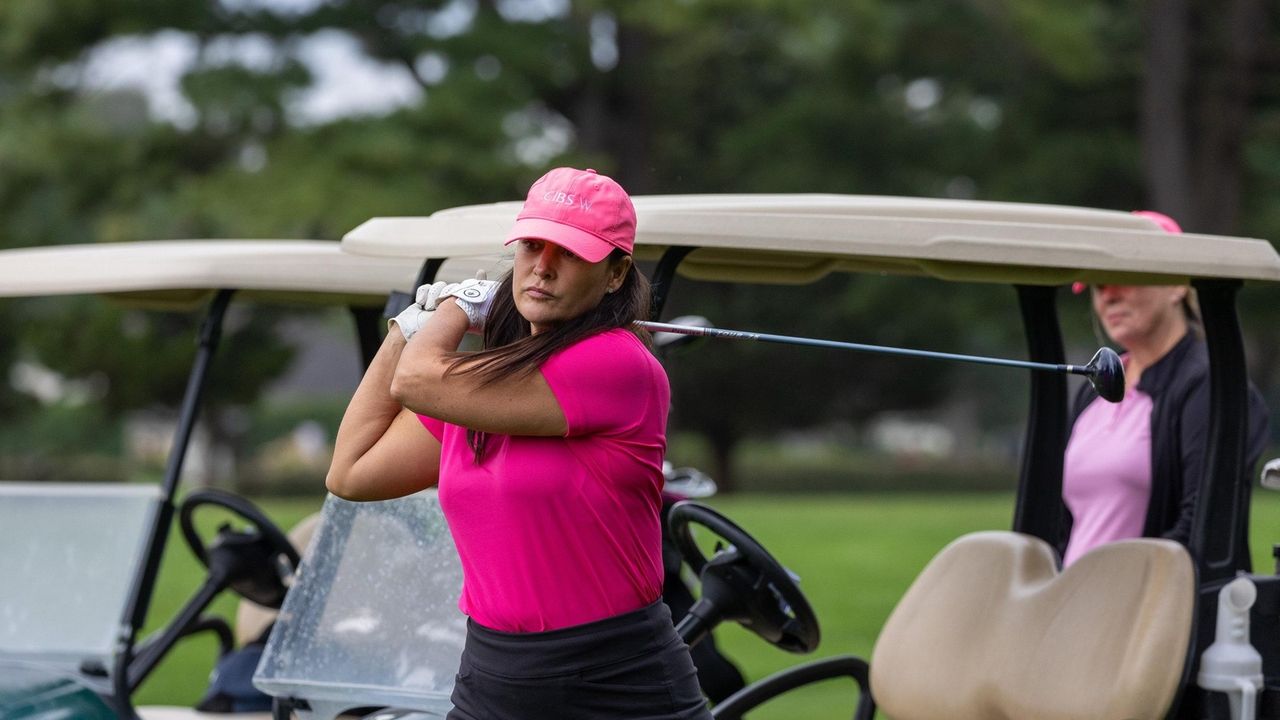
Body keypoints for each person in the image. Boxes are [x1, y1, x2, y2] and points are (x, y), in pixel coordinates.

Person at [325, 167, 712, 720]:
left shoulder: (620, 363)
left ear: (615, 273)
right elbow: (351, 473)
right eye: (532, 245)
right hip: (494, 677)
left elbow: (416, 382)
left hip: (615, 687)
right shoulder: (479, 387)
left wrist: (453, 307)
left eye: (570, 253)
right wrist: (407, 327)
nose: (543, 267)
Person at [1058, 211, 1269, 567]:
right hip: (1077, 605)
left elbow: (1200, 527)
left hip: (1149, 608)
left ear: (1176, 286)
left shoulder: (1209, 385)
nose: (1107, 296)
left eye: (1123, 277)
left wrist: (1117, 588)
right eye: (1098, 285)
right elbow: (1062, 524)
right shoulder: (1095, 388)